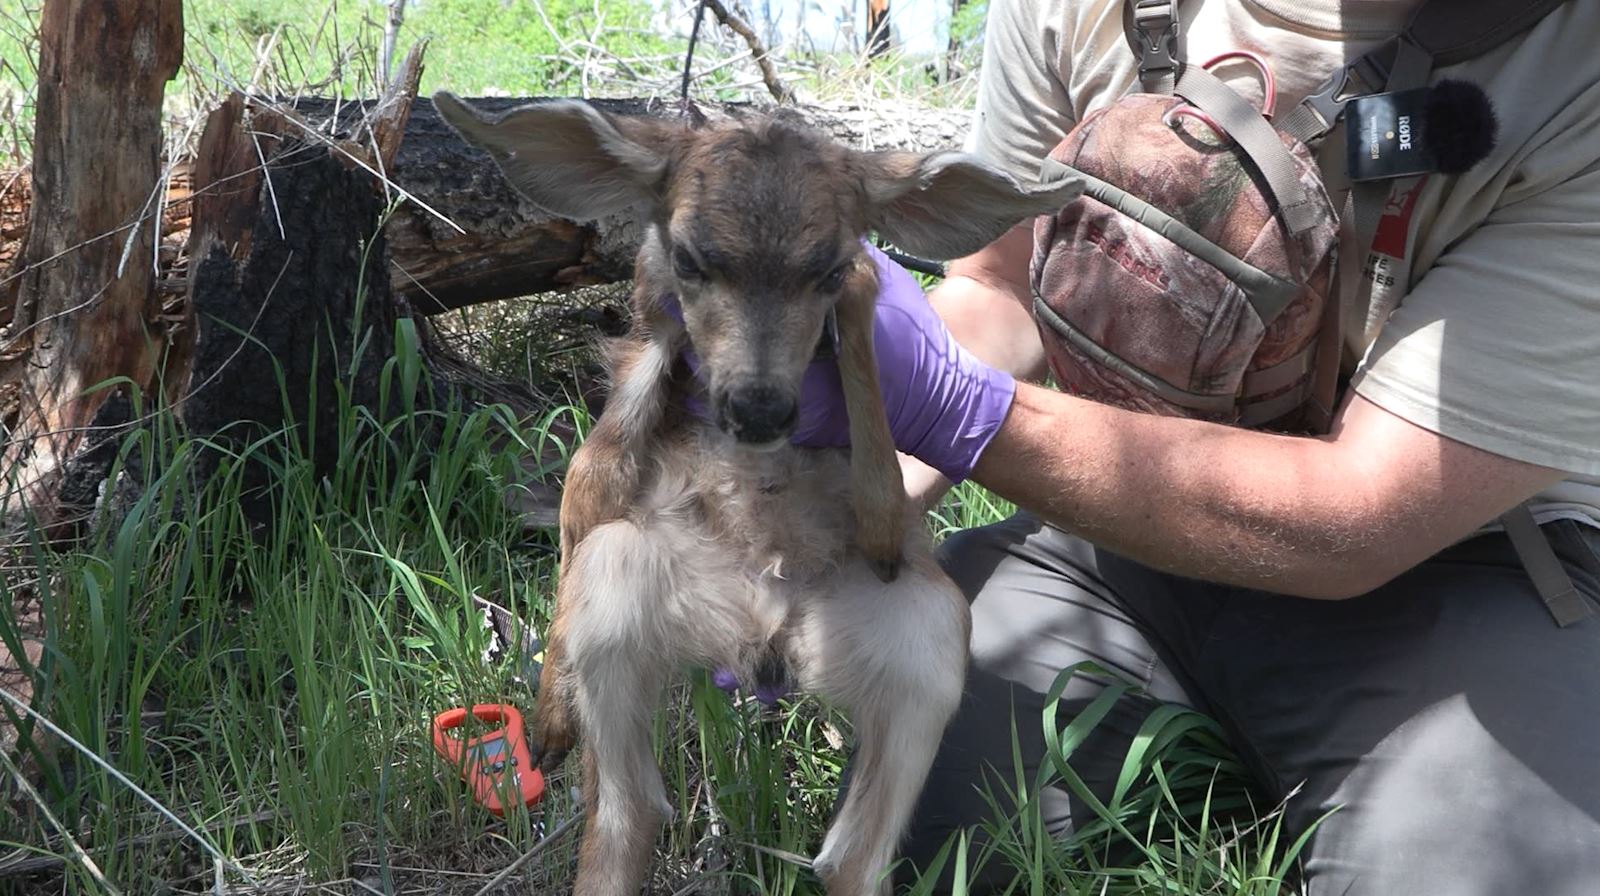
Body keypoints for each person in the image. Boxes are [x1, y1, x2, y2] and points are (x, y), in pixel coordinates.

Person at [772, 1, 1600, 893]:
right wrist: (824, 509)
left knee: (1485, 868)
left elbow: (1363, 512)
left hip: (1460, 560)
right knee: (930, 816)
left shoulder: (1573, 75)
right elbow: (1000, 289)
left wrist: (961, 409)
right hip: (1123, 537)